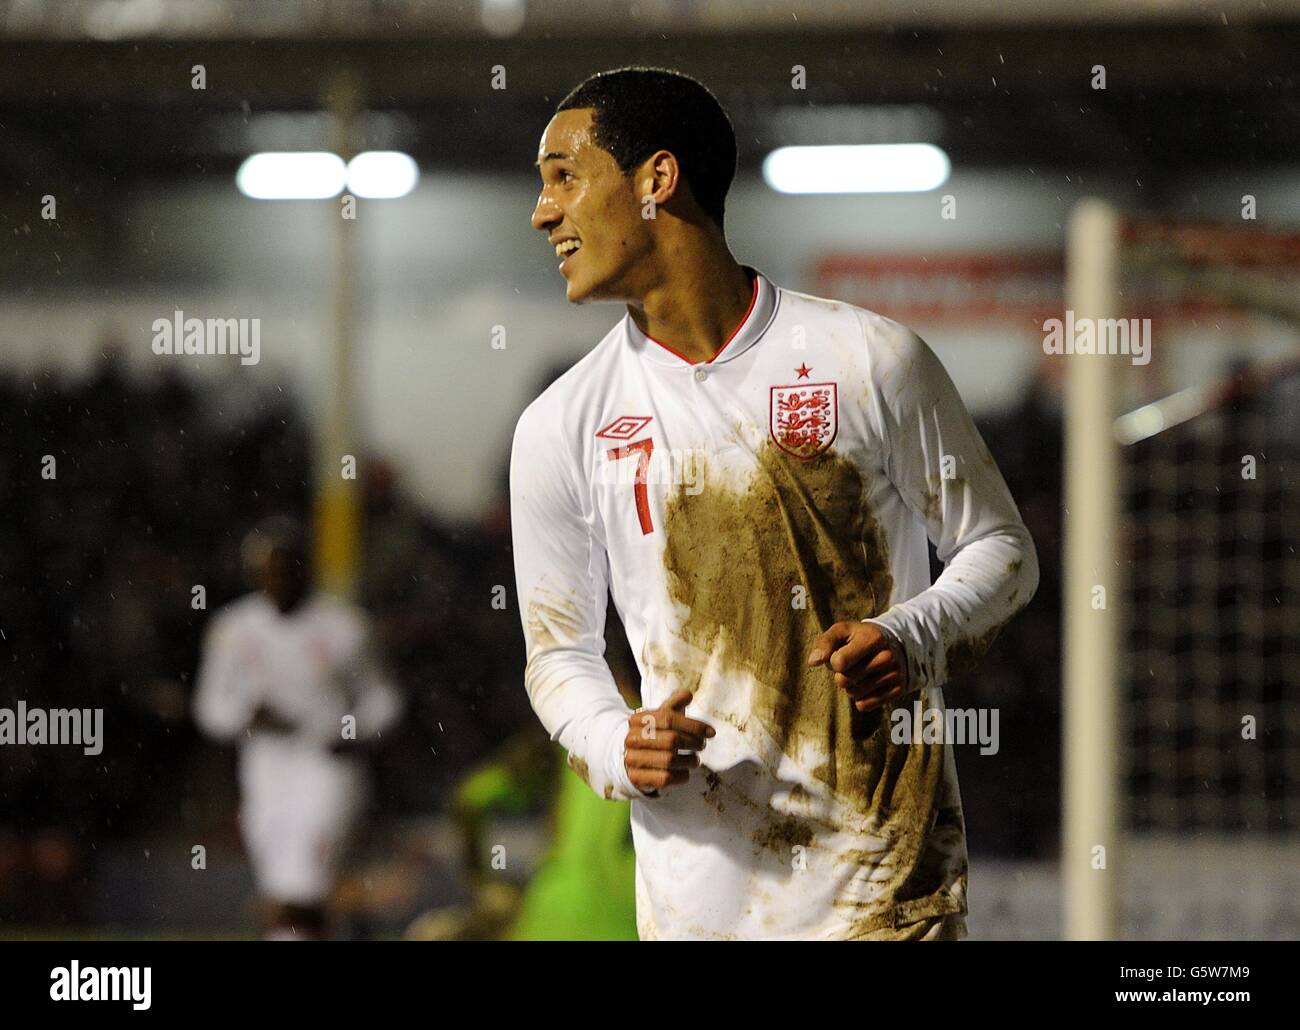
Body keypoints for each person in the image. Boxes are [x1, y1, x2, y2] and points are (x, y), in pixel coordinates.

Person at [509, 67, 1040, 940]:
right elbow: (557, 652)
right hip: (698, 907)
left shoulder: (870, 360)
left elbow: (1000, 550)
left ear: (657, 181)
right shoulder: (561, 424)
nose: (543, 211)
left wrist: (912, 637)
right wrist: (613, 743)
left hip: (884, 890)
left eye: (564, 176)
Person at [193, 516, 402, 939]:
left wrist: (353, 731)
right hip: (265, 765)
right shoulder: (233, 629)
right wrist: (245, 717)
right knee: (280, 883)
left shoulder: (344, 626)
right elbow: (211, 707)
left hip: (325, 764)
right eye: (267, 569)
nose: (277, 578)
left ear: (303, 567)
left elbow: (384, 699)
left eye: (286, 567)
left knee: (306, 876)